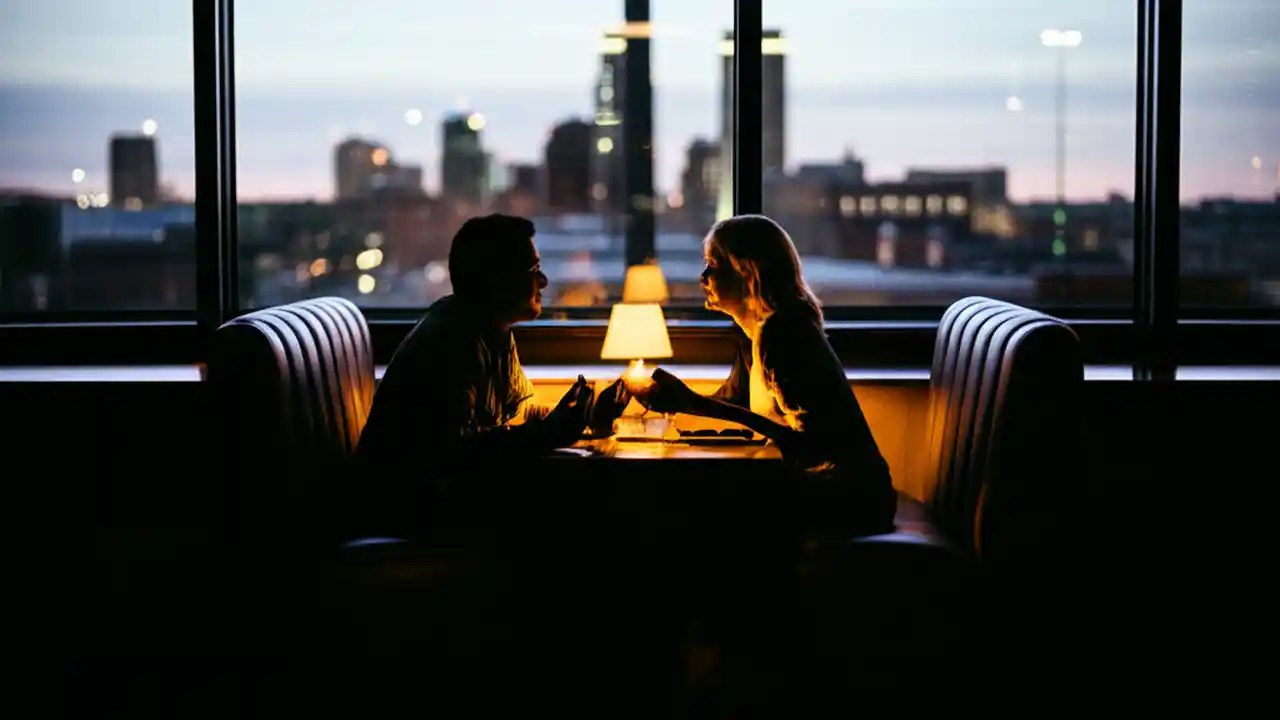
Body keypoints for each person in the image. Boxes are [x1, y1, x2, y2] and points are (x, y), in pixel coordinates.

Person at [354, 214, 630, 536]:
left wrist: (587, 416)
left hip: (447, 500)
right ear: (496, 280)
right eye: (533, 271)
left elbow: (514, 414)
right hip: (409, 512)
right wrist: (549, 433)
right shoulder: (452, 340)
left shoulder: (493, 330)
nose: (543, 282)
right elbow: (455, 453)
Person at [636, 214, 896, 534]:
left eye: (713, 264)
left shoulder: (783, 333)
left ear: (749, 271)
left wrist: (693, 404)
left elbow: (811, 445)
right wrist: (674, 399)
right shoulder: (754, 336)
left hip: (851, 497)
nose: (703, 276)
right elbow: (733, 404)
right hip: (820, 486)